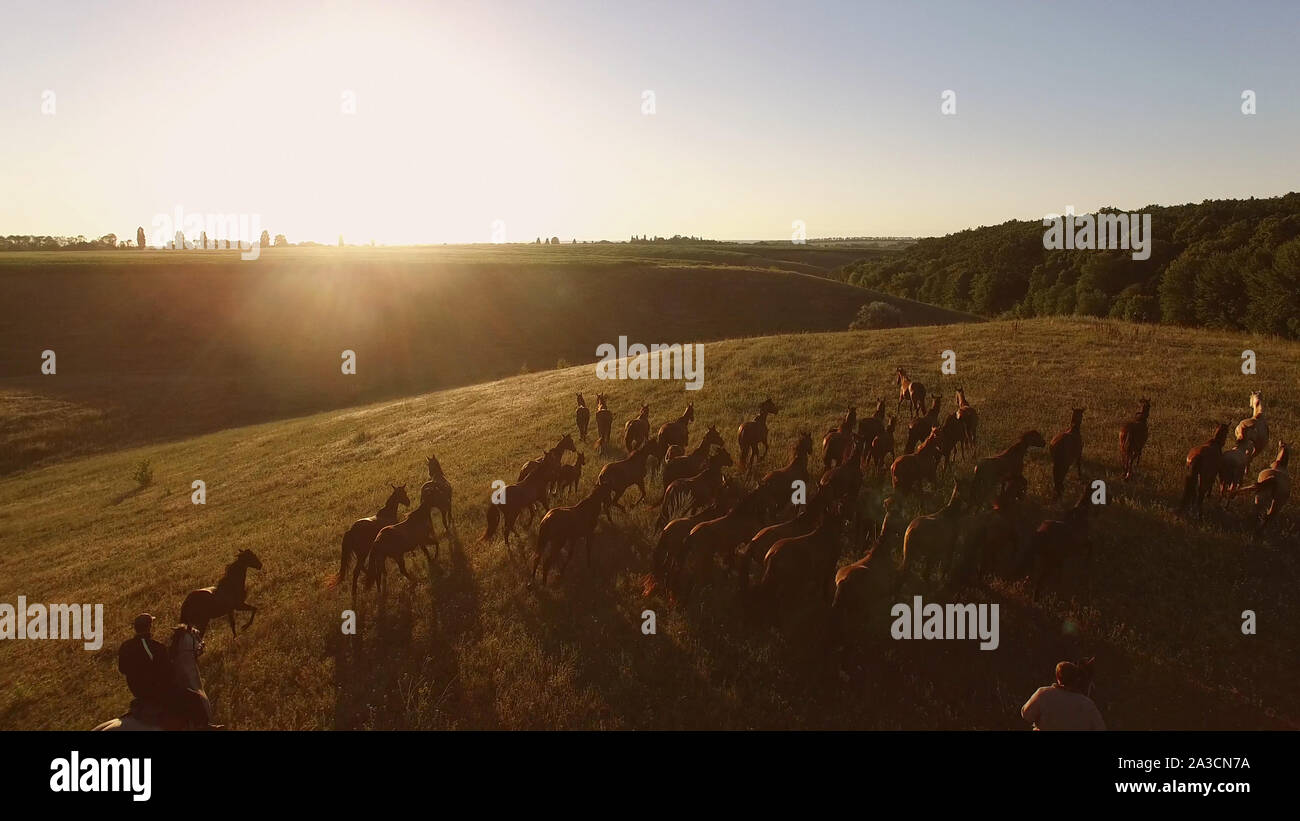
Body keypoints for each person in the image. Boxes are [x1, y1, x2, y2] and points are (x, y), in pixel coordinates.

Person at [1021, 658, 1105, 730]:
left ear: (1057, 677)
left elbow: (1026, 714)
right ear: (1076, 679)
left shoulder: (1043, 693)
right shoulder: (1087, 703)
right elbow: (1100, 728)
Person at [116, 613, 173, 704]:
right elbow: (167, 671)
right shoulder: (156, 647)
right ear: (150, 627)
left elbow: (122, 669)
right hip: (153, 690)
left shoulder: (125, 646)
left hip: (134, 689)